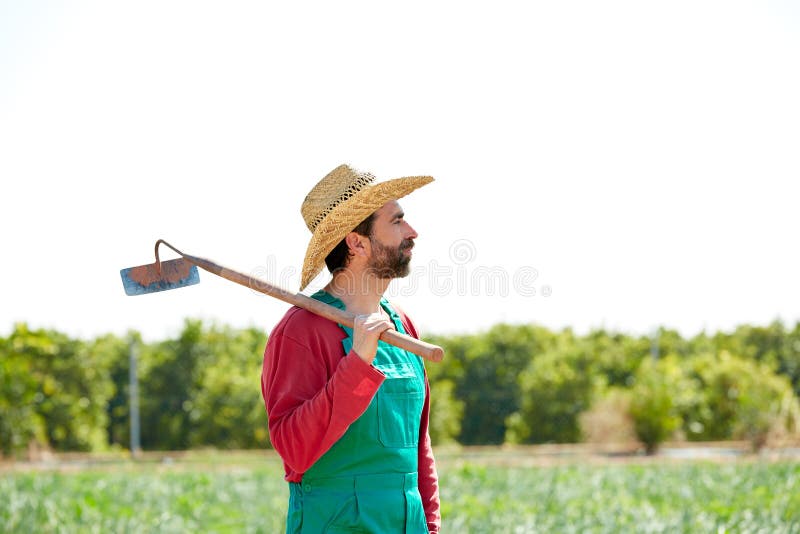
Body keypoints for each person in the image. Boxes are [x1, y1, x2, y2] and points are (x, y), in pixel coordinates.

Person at [261, 164, 441, 533]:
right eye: (397, 221)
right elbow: (293, 450)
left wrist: (432, 525)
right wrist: (357, 363)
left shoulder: (402, 326)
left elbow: (418, 449)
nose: (413, 232)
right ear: (356, 242)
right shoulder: (301, 331)